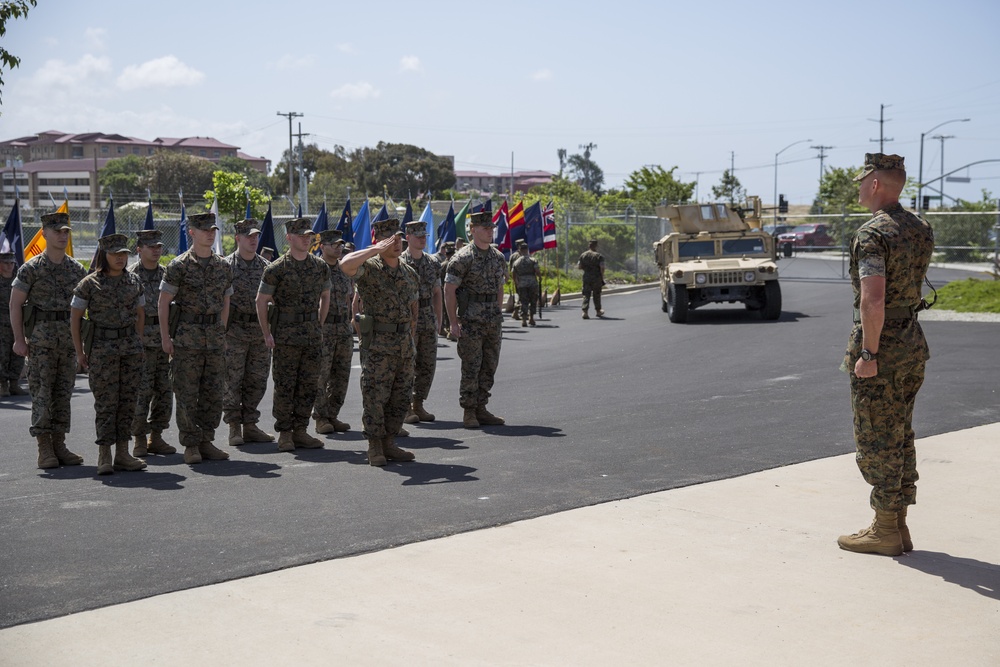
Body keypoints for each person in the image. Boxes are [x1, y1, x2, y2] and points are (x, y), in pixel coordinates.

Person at [837, 153, 934, 557]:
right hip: (912, 343)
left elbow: (873, 301)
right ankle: (899, 525)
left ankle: (884, 529)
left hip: (884, 349)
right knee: (901, 434)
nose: (859, 187)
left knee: (878, 438)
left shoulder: (873, 233)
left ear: (875, 184)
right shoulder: (920, 227)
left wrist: (868, 352)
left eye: (862, 180)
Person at [9, 212, 87, 469]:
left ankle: (59, 444)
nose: (63, 236)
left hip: (67, 343)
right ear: (44, 233)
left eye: (66, 231)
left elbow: (84, 309)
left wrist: (81, 348)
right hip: (40, 343)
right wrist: (19, 340)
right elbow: (15, 304)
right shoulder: (31, 268)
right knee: (42, 394)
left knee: (63, 394)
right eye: (57, 231)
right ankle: (44, 448)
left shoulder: (75, 269)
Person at [339, 218, 418, 466]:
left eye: (398, 237)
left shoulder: (409, 272)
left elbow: (413, 308)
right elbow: (345, 265)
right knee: (375, 396)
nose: (397, 242)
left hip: (404, 344)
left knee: (401, 396)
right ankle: (374, 445)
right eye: (390, 238)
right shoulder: (369, 267)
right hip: (378, 346)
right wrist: (374, 249)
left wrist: (411, 340)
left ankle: (389, 442)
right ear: (380, 240)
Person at [158, 212, 233, 465]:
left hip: (213, 337)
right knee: (187, 393)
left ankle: (206, 440)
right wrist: (166, 337)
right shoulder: (178, 265)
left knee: (213, 392)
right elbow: (164, 302)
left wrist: (222, 332)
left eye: (213, 230)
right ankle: (190, 444)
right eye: (204, 230)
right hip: (186, 338)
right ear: (192, 232)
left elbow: (226, 300)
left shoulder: (223, 266)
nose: (210, 234)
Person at [70, 234, 147, 475]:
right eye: (115, 254)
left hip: (130, 350)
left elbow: (141, 315)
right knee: (106, 403)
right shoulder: (89, 283)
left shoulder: (134, 281)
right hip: (102, 350)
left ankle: (123, 453)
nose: (120, 258)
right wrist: (80, 352)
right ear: (104, 255)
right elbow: (75, 319)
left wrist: (138, 342)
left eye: (123, 254)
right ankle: (105, 453)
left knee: (128, 402)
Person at [255, 217, 330, 452]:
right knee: (285, 385)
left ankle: (301, 430)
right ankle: (285, 433)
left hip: (311, 335)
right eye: (301, 235)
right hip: (285, 336)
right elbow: (261, 300)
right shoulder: (276, 268)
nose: (306, 239)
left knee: (308, 385)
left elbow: (326, 296)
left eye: (308, 235)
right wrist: (266, 333)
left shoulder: (319, 267)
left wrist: (320, 322)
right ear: (289, 238)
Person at [444, 210, 507, 429]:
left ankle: (482, 407)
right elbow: (449, 290)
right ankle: (469, 411)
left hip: (492, 322)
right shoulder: (462, 258)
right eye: (485, 228)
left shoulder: (498, 257)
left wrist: (497, 313)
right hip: (471, 322)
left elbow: (500, 288)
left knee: (489, 365)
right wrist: (453, 322)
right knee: (471, 366)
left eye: (491, 228)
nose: (490, 231)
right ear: (473, 230)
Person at [223, 219, 275, 447]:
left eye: (256, 236)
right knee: (232, 380)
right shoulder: (226, 266)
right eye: (248, 237)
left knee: (257, 380)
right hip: (233, 333)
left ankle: (250, 425)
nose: (253, 240)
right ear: (238, 239)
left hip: (259, 332)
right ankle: (234, 426)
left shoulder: (265, 267)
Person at [129, 229, 176, 457]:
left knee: (164, 392)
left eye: (159, 247)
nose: (156, 250)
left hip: (164, 342)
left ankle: (156, 437)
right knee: (141, 392)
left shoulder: (168, 275)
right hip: (141, 344)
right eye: (151, 247)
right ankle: (138, 438)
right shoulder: (130, 276)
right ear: (139, 249)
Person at [401, 221, 443, 424]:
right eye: (417, 236)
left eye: (424, 235)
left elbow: (437, 292)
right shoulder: (399, 262)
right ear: (407, 237)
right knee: (407, 364)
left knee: (427, 364)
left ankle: (418, 403)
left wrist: (439, 320)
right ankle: (405, 406)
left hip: (427, 316)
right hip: (407, 319)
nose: (422, 239)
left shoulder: (433, 263)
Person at [313, 228, 354, 435]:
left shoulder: (344, 269)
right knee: (321, 374)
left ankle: (332, 414)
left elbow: (350, 297)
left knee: (341, 374)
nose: (339, 248)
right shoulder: (316, 269)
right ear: (322, 246)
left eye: (340, 245)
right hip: (324, 327)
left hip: (343, 327)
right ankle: (320, 417)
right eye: (334, 245)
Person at [0, 251, 27, 397]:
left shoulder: (19, 281)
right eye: (6, 263)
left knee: (18, 353)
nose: (9, 266)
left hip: (16, 322)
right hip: (2, 324)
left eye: (11, 263)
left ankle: (14, 383)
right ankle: (3, 385)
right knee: (3, 354)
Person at [511, 240, 541, 327]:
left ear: (520, 250)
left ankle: (524, 320)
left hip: (522, 283)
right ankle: (531, 318)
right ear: (527, 250)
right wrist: (540, 277)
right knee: (533, 301)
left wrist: (516, 281)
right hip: (532, 283)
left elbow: (513, 272)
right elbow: (537, 270)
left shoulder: (517, 262)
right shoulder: (532, 260)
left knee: (523, 301)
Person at [578, 238, 605, 319]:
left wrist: (587, 270)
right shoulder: (599, 256)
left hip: (586, 277)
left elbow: (579, 266)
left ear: (589, 246)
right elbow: (602, 267)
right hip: (596, 277)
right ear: (596, 246)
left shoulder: (583, 255)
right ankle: (598, 311)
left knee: (586, 294)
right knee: (596, 294)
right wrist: (601, 275)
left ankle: (585, 312)